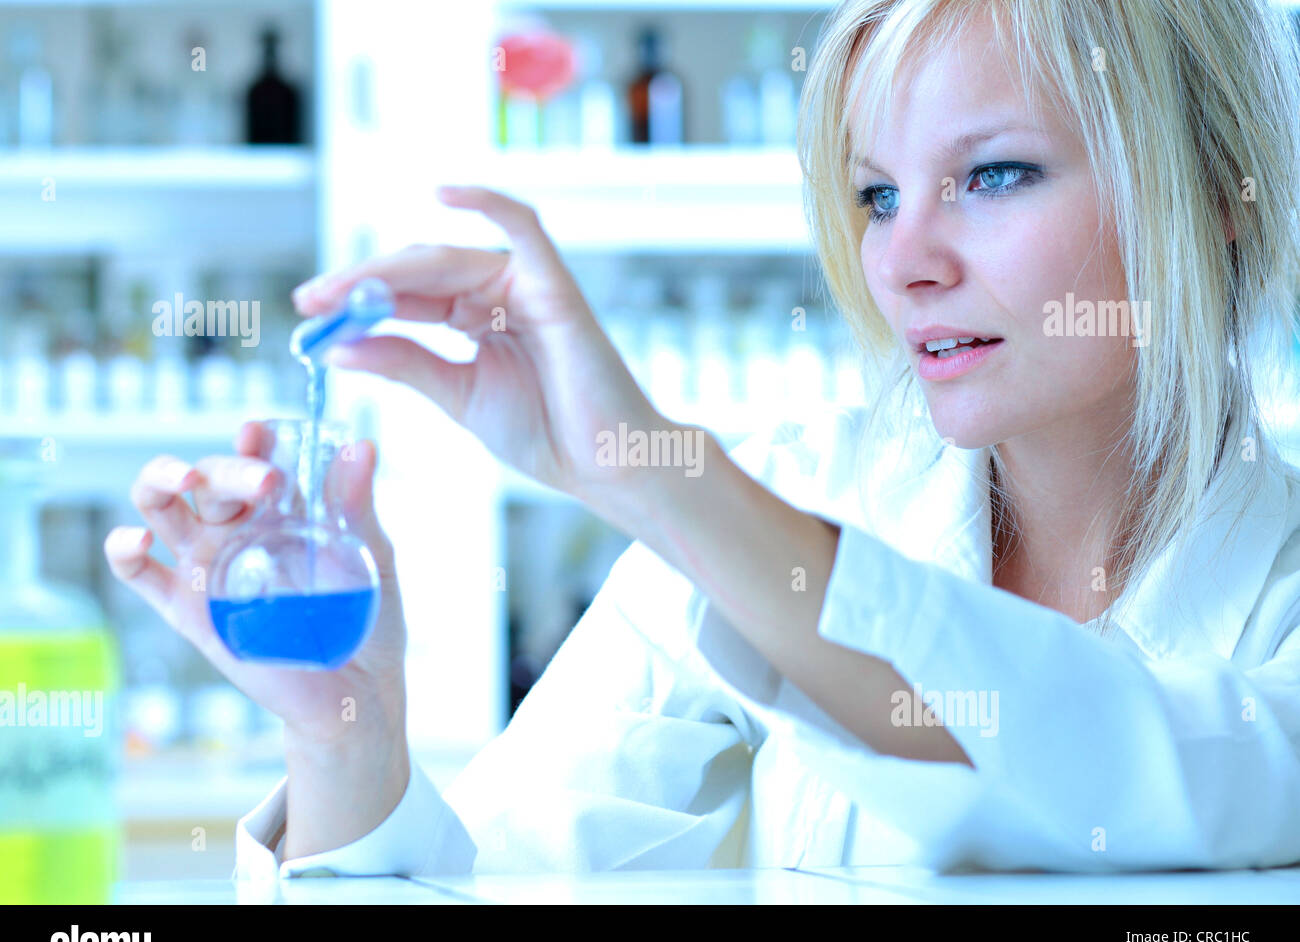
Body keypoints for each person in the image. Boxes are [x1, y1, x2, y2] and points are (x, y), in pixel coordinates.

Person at [106, 0, 1300, 878]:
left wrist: (655, 479)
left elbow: (1117, 755)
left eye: (991, 175)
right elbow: (492, 887)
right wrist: (343, 736)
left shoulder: (1280, 588)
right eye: (877, 194)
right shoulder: (794, 492)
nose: (904, 260)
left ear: (1211, 194)